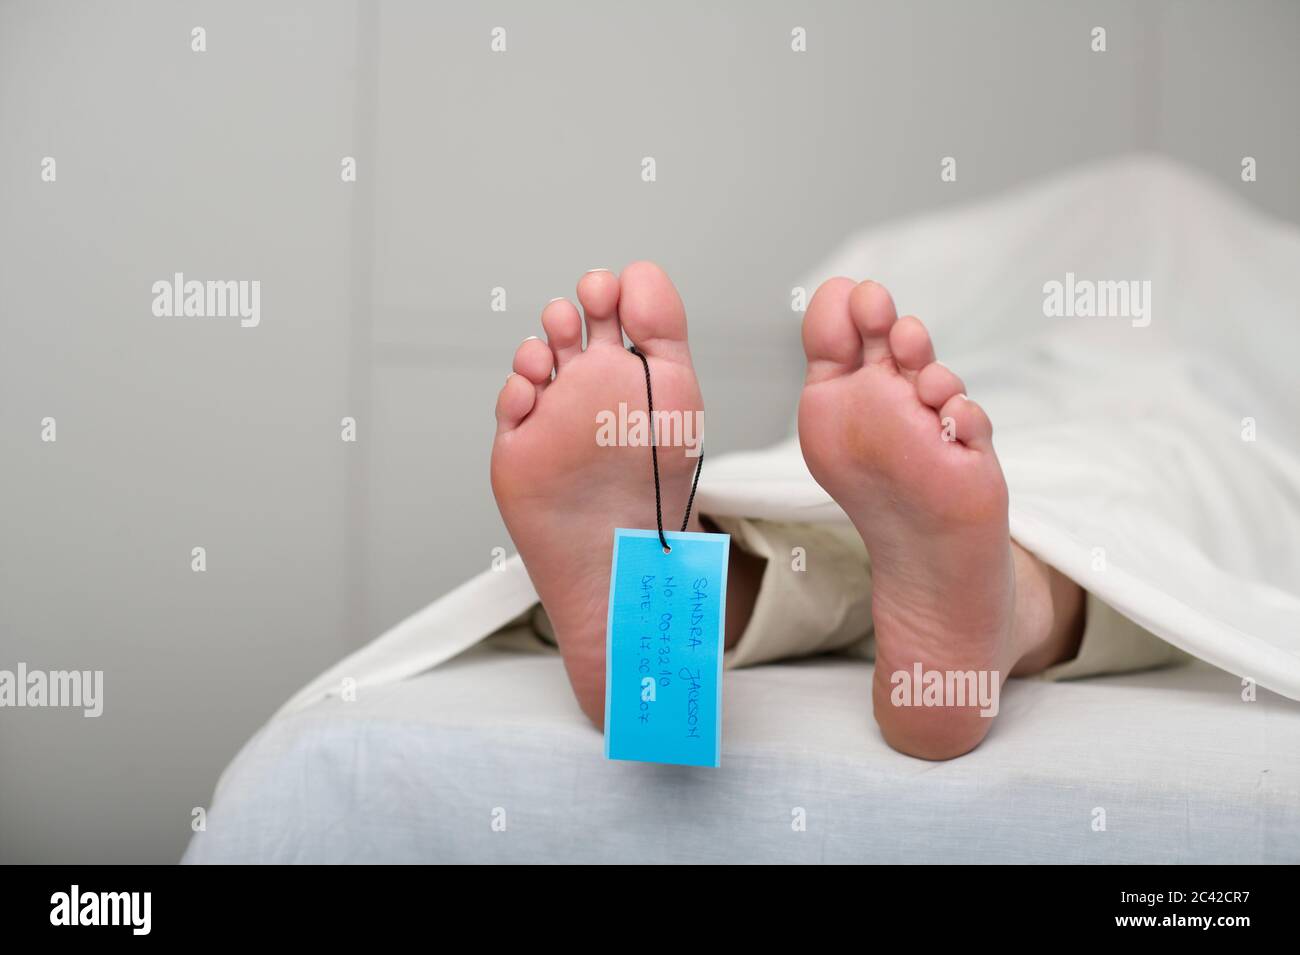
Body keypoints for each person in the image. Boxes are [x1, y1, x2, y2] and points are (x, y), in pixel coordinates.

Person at [490, 261, 1184, 760]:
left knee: (817, 537)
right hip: (1130, 434)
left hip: (1100, 432)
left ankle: (703, 599)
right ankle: (1006, 608)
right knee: (1119, 526)